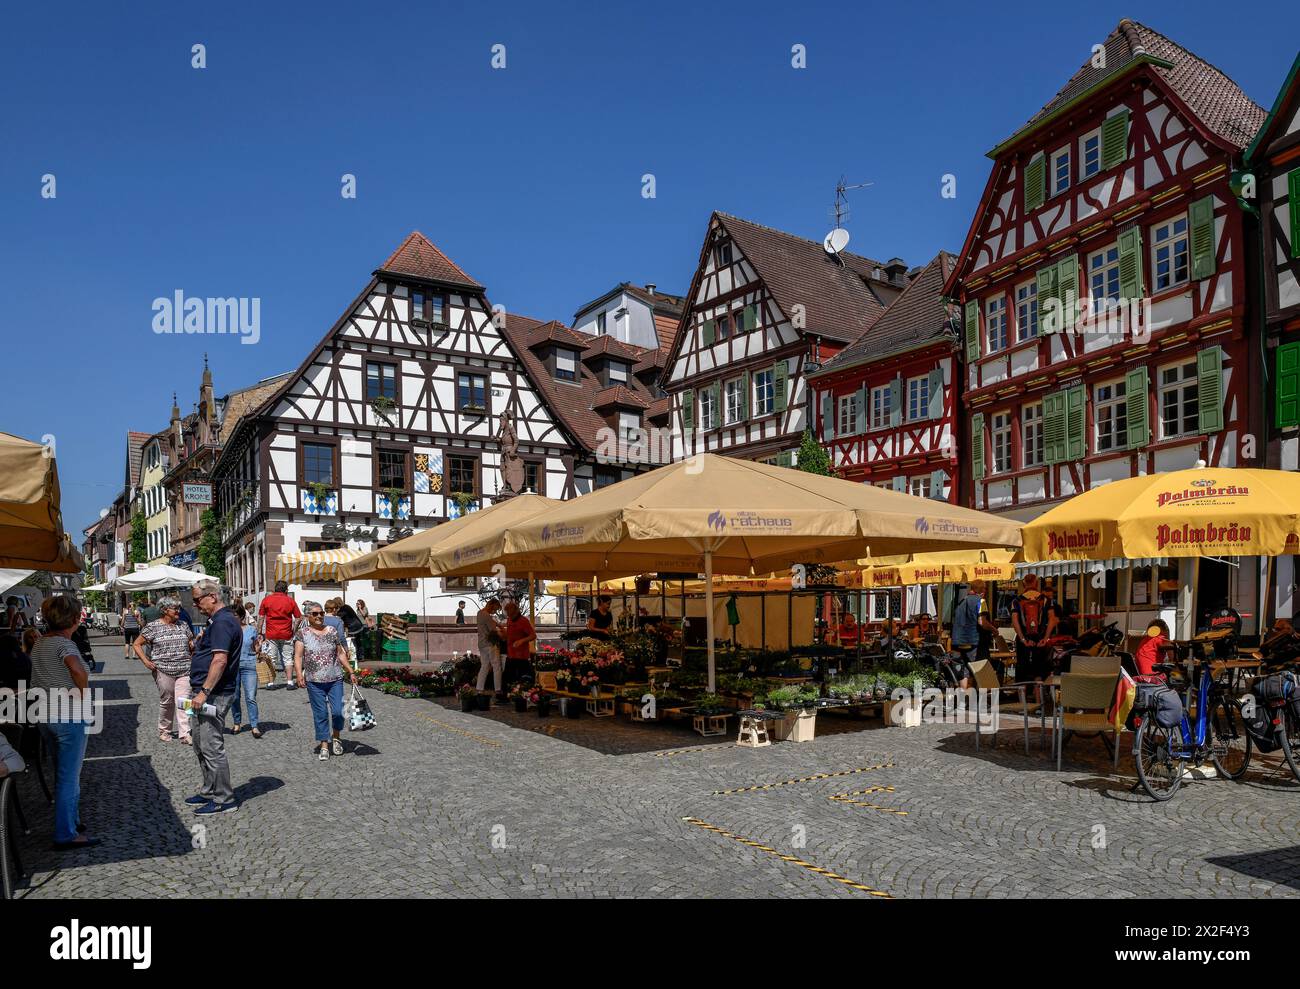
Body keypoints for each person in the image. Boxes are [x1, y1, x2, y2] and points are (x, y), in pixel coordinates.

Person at [30, 594, 98, 849]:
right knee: (69, 776)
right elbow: (78, 671)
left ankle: (72, 820)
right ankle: (65, 833)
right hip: (68, 714)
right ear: (72, 618)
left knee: (61, 772)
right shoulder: (65, 645)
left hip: (43, 714)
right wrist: (82, 691)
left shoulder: (39, 643)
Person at [187, 580, 242, 815]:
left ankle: (224, 798)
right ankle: (210, 789)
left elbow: (220, 660)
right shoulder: (216, 622)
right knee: (199, 742)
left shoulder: (222, 622)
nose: (196, 605)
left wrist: (204, 692)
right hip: (204, 692)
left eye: (197, 600)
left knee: (211, 746)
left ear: (212, 597)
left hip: (214, 694)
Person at [294, 600, 359, 761]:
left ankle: (336, 737)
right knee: (321, 713)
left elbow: (341, 653)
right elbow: (298, 656)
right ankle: (324, 744)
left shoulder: (331, 631)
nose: (319, 616)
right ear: (307, 616)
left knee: (338, 712)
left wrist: (350, 671)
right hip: (314, 681)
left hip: (335, 678)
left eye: (321, 613)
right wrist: (299, 675)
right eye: (315, 614)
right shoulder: (303, 633)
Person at [133, 595, 195, 744]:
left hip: (184, 669)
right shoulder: (153, 626)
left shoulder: (183, 625)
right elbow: (136, 644)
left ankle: (185, 733)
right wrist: (146, 662)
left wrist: (193, 646)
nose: (178, 611)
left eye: (178, 608)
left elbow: (190, 643)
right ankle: (164, 730)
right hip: (163, 669)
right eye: (175, 608)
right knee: (167, 701)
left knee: (184, 701)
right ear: (165, 610)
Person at [1012, 574, 1057, 688]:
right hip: (1040, 639)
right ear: (1036, 583)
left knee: (1023, 669)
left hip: (1024, 640)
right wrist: (1046, 638)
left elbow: (1015, 621)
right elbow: (1052, 619)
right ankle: (1038, 701)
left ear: (1023, 584)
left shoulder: (1017, 601)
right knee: (1039, 671)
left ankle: (1022, 702)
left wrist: (1023, 639)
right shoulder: (1046, 600)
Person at [257, 580, 302, 690]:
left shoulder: (266, 600)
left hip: (271, 634)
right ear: (286, 590)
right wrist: (293, 630)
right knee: (287, 658)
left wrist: (259, 632)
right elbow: (298, 618)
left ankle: (271, 683)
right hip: (286, 633)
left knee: (271, 658)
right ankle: (290, 682)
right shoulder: (290, 601)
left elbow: (261, 617)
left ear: (275, 589)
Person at [231, 601, 262, 738]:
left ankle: (254, 725)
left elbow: (255, 648)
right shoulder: (228, 630)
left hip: (249, 665)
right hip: (233, 667)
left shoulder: (251, 630)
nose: (233, 618)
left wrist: (259, 647)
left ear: (242, 616)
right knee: (235, 697)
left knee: (250, 697)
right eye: (231, 615)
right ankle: (237, 722)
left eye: (235, 615)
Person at [502, 599, 536, 692]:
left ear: (515, 612)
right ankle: (506, 696)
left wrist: (521, 641)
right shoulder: (509, 619)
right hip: (510, 654)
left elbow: (533, 635)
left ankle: (523, 695)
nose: (508, 616)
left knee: (523, 678)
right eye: (507, 613)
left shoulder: (523, 621)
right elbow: (509, 634)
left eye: (510, 613)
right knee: (507, 677)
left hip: (521, 656)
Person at [475, 598, 505, 698]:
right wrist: (503, 633)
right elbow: (493, 631)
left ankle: (479, 689)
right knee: (496, 666)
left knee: (484, 666)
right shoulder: (487, 616)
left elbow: (490, 623)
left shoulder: (479, 613)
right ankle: (498, 689)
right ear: (492, 605)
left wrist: (496, 623)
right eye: (495, 609)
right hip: (490, 644)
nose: (495, 611)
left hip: (482, 644)